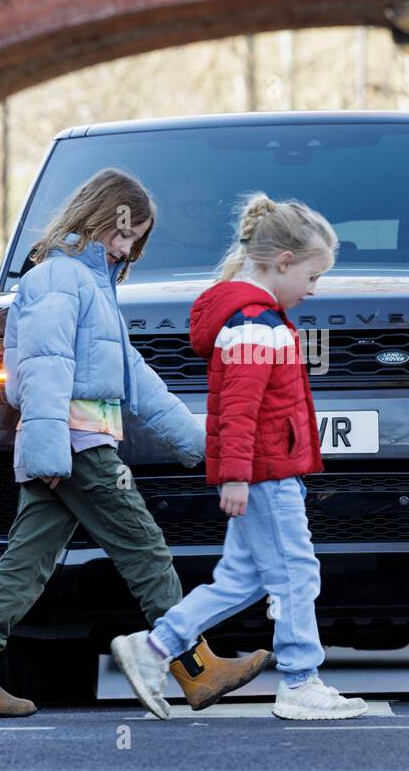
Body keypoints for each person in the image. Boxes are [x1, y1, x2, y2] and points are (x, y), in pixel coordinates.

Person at [0, 168, 270, 718]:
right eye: (122, 234)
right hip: (77, 447)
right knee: (144, 549)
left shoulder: (90, 286)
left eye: (135, 239)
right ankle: (195, 668)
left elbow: (136, 379)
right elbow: (45, 370)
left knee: (28, 561)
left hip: (69, 445)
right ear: (97, 216)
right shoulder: (58, 279)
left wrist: (201, 442)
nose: (126, 248)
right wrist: (50, 453)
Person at [112, 193, 368, 721]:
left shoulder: (256, 318)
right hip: (266, 475)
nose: (314, 290)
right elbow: (237, 408)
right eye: (313, 278)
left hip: (266, 473)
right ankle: (300, 681)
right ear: (284, 262)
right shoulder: (255, 323)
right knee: (298, 574)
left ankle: (154, 648)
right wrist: (235, 476)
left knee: (241, 580)